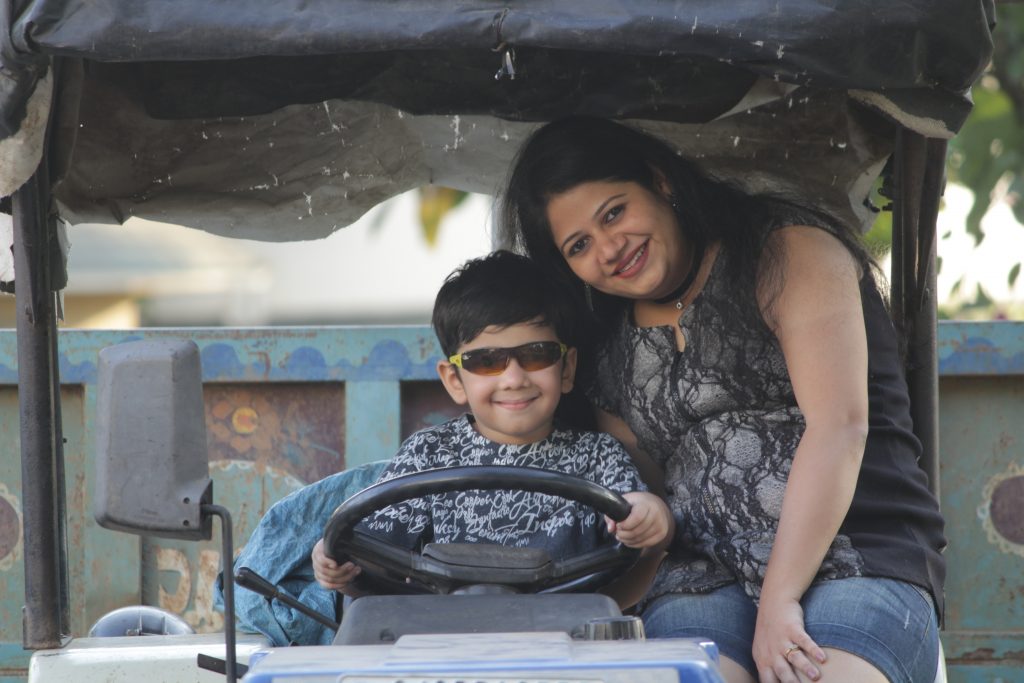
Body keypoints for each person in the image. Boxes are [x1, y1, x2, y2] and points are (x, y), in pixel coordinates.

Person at [499, 117, 946, 683]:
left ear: (661, 183)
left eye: (614, 213)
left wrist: (779, 601)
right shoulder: (605, 343)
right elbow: (640, 491)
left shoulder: (786, 251)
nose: (610, 249)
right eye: (580, 245)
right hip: (700, 577)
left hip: (856, 558)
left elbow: (840, 427)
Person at [312, 250, 674, 607]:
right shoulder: (429, 454)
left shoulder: (598, 455)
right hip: (442, 641)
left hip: (564, 641)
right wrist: (335, 561)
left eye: (536, 354)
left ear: (566, 369)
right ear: (454, 380)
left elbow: (637, 516)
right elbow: (365, 548)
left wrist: (651, 513)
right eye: (486, 361)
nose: (514, 379)